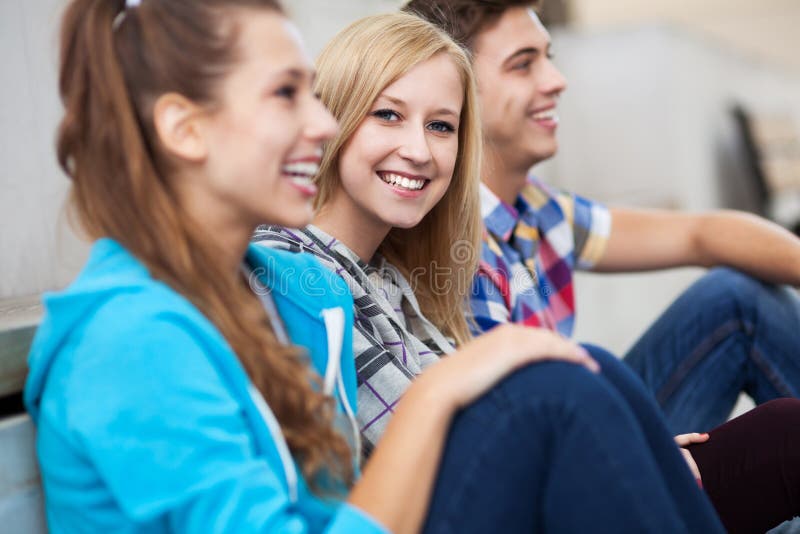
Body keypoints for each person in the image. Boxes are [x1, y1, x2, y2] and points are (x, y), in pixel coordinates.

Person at [23, 1, 723, 533]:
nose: (325, 123)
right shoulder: (129, 343)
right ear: (185, 128)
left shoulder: (268, 286)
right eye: (286, 95)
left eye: (441, 126)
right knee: (555, 394)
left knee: (586, 373)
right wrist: (442, 390)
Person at [255, 12, 732, 533]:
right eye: (388, 115)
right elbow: (416, 440)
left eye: (441, 126)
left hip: (480, 487)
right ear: (334, 119)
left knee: (602, 370)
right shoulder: (292, 266)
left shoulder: (393, 278)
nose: (418, 150)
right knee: (569, 388)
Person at [402, 0, 800, 435]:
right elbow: (515, 438)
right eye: (523, 65)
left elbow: (699, 236)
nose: (556, 81)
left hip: (577, 428)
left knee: (735, 301)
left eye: (548, 59)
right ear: (451, 93)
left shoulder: (539, 210)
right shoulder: (452, 248)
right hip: (560, 467)